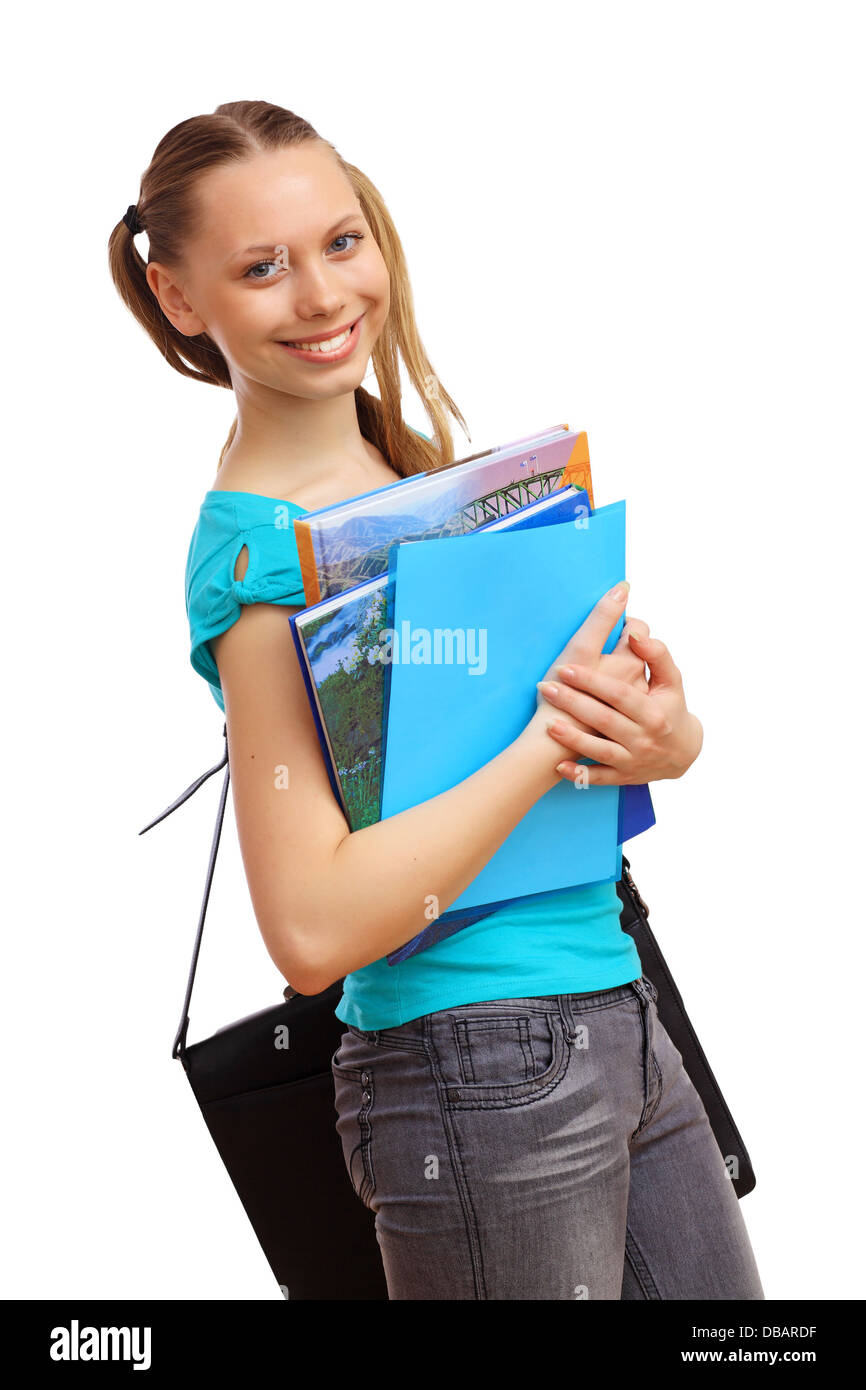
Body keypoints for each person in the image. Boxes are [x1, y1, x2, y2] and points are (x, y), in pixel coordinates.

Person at [108, 99, 763, 1300]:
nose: (320, 296)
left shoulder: (406, 477)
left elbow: (559, 761)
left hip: (608, 1003)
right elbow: (306, 929)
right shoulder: (266, 562)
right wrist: (545, 743)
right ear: (180, 299)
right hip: (473, 1065)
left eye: (340, 242)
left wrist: (659, 734)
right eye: (261, 268)